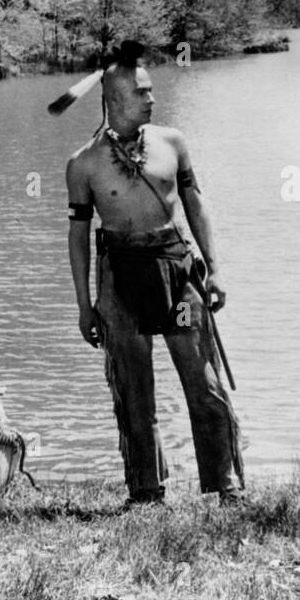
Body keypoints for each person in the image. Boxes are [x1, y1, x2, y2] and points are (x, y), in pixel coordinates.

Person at [65, 40, 244, 507]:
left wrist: (215, 271)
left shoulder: (172, 142)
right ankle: (146, 491)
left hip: (176, 275)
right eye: (142, 92)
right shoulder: (83, 164)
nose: (152, 98)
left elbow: (195, 203)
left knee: (203, 380)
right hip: (120, 280)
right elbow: (78, 236)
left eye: (150, 90)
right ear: (116, 99)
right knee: (133, 385)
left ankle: (226, 485)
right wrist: (86, 305)